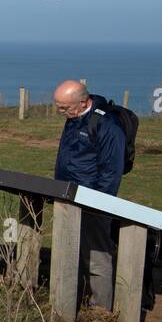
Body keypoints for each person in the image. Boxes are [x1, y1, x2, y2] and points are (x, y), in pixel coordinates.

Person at [52, 79, 126, 310]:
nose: (59, 111)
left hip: (93, 201)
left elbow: (111, 172)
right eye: (57, 106)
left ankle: (100, 312)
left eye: (63, 107)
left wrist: (96, 204)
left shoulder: (107, 126)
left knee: (96, 257)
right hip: (67, 196)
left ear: (83, 101)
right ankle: (74, 299)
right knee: (71, 250)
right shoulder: (73, 118)